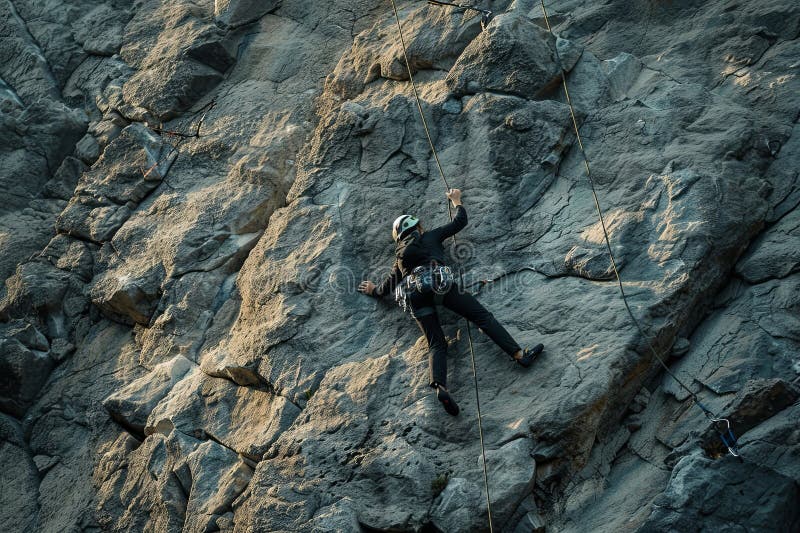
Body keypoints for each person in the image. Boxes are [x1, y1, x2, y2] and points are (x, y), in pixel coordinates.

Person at [358, 188, 543, 416]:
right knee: (482, 317)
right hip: (440, 286)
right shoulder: (430, 236)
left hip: (415, 296)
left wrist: (372, 289)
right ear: (417, 228)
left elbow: (386, 288)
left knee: (436, 344)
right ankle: (519, 356)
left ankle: (441, 387)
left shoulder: (400, 258)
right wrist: (456, 200)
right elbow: (459, 222)